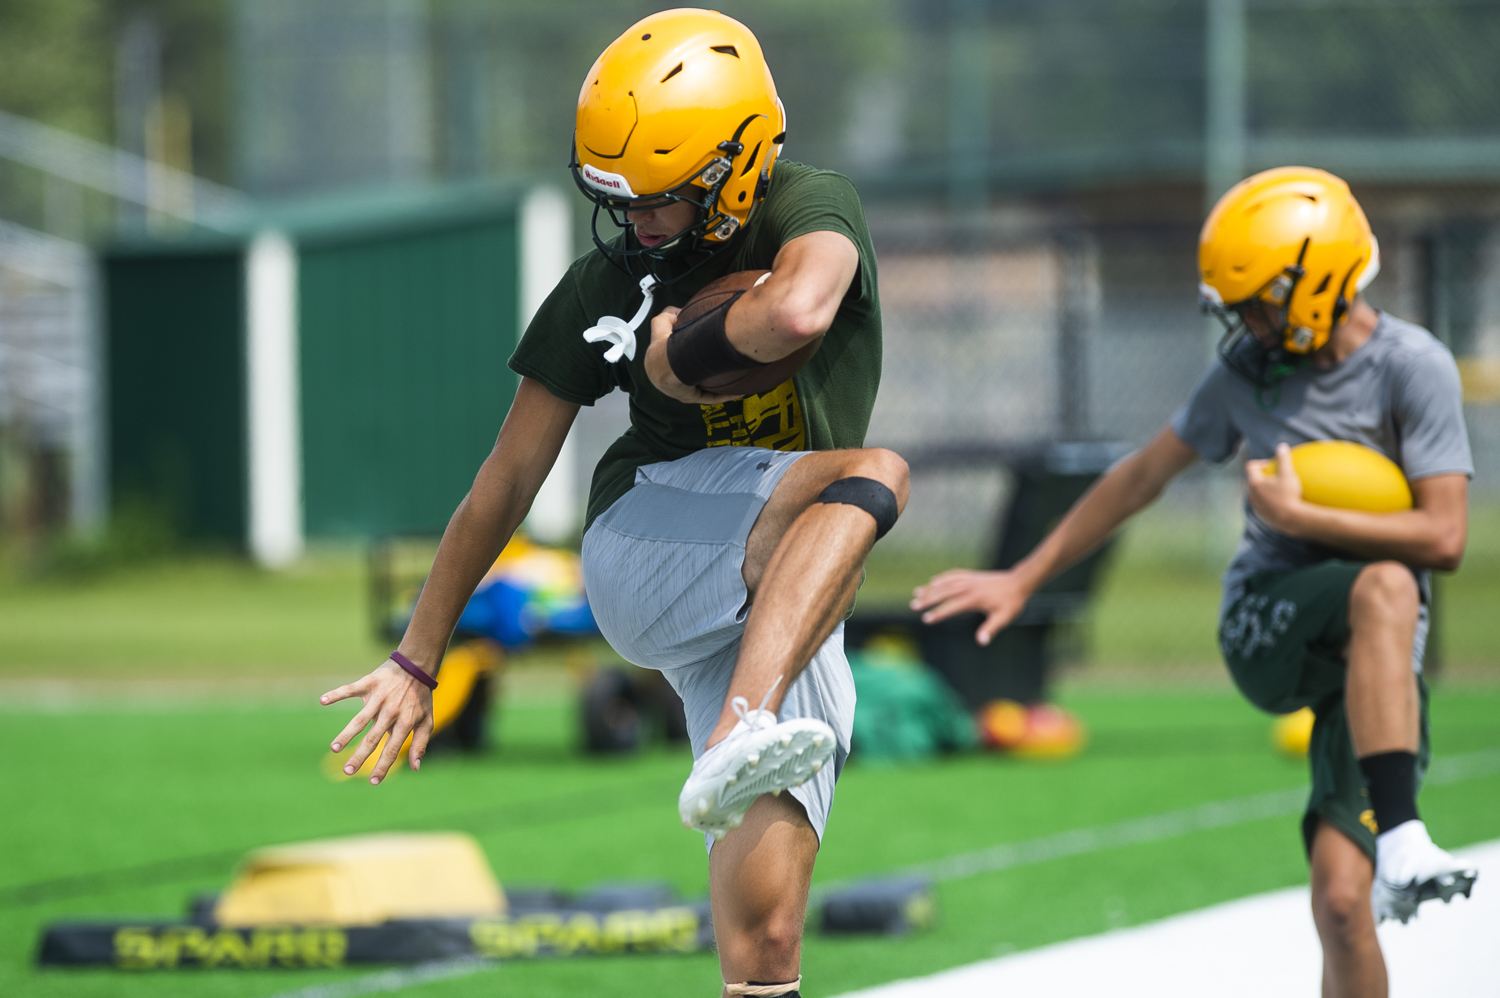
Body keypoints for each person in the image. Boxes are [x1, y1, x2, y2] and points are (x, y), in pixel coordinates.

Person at [319, 10, 904, 996]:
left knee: (766, 941)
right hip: (651, 538)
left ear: (744, 160)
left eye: (665, 198)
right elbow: (505, 478)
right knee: (873, 473)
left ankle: (742, 729)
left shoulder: (813, 204)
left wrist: (677, 356)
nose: (638, 223)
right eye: (619, 197)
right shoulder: (605, 279)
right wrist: (418, 655)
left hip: (777, 589)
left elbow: (801, 307)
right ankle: (745, 724)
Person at [911, 166, 1477, 997]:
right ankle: (1403, 833)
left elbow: (1446, 536)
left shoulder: (1411, 367)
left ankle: (1391, 842)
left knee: (1344, 907)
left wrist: (1308, 516)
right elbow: (1143, 476)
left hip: (1376, 666)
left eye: (1258, 301)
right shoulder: (1250, 372)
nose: (1246, 322)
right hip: (1270, 622)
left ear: (1315, 281)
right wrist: (1023, 575)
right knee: (1386, 584)